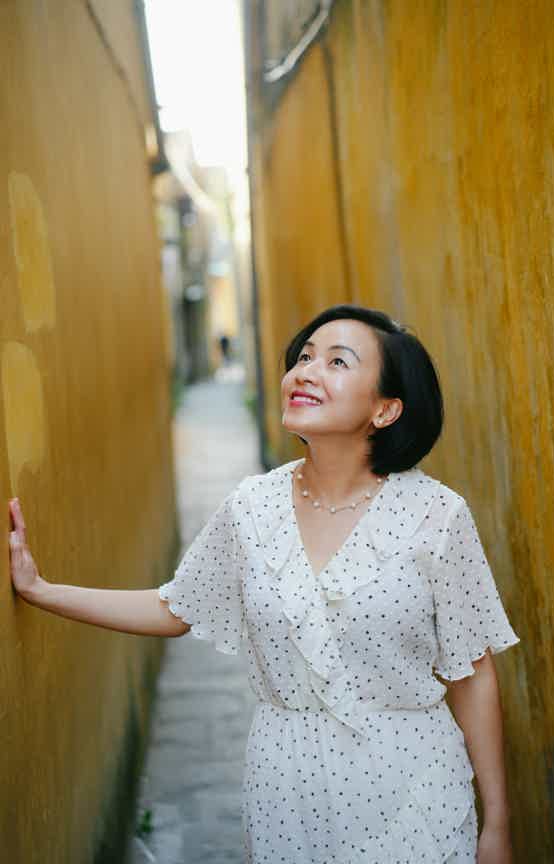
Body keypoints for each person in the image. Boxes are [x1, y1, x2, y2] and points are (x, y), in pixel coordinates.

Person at [9, 304, 520, 863]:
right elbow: (175, 608)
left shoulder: (437, 516)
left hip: (413, 785)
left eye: (337, 362)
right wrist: (42, 590)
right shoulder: (252, 507)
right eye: (303, 358)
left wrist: (497, 822)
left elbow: (472, 671)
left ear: (386, 409)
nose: (306, 372)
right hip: (286, 788)